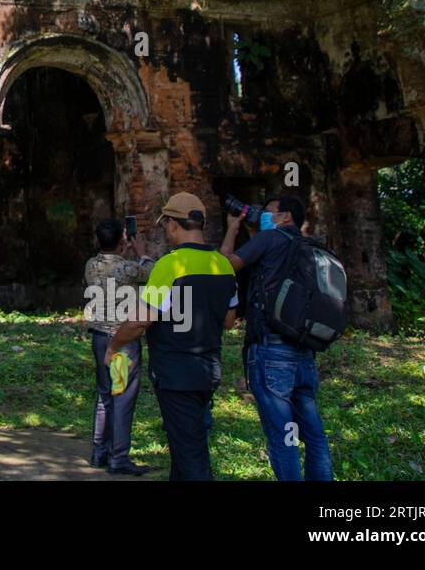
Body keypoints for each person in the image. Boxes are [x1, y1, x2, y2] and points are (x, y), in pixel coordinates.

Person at [104, 193, 237, 481]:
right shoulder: (223, 265)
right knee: (184, 445)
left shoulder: (170, 266)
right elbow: (228, 320)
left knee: (191, 455)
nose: (166, 230)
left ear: (174, 225)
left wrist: (114, 345)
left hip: (176, 373)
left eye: (166, 225)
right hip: (209, 369)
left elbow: (141, 320)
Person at [221, 193, 334, 481]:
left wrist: (233, 227)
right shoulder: (307, 245)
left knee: (283, 437)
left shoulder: (270, 239)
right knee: (314, 434)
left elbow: (225, 266)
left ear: (285, 217)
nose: (264, 214)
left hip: (271, 351)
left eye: (269, 211)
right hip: (303, 350)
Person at [83, 218, 153, 475]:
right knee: (122, 397)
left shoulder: (90, 265)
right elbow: (153, 272)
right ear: (122, 242)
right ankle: (119, 457)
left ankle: (99, 451)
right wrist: (141, 251)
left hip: (99, 338)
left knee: (104, 396)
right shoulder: (128, 269)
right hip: (122, 341)